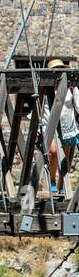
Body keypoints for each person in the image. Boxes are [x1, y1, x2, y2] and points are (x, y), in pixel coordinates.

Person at [51, 59, 78, 195]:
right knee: (54, 151)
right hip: (52, 125)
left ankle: (62, 186)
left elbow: (77, 107)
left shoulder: (71, 88)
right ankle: (52, 180)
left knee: (65, 157)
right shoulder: (48, 88)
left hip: (67, 126)